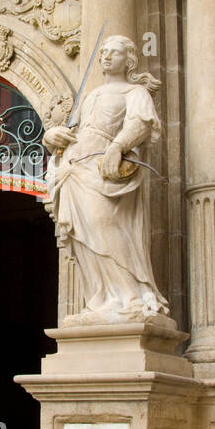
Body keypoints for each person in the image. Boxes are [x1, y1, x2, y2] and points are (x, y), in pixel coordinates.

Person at [42, 35, 168, 322]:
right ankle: (99, 300)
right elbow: (75, 130)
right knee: (83, 237)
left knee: (104, 222)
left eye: (115, 52)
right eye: (104, 52)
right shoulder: (90, 96)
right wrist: (52, 136)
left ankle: (131, 296)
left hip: (102, 169)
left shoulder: (135, 93)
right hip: (75, 167)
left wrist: (118, 146)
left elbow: (141, 123)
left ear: (130, 59)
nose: (107, 57)